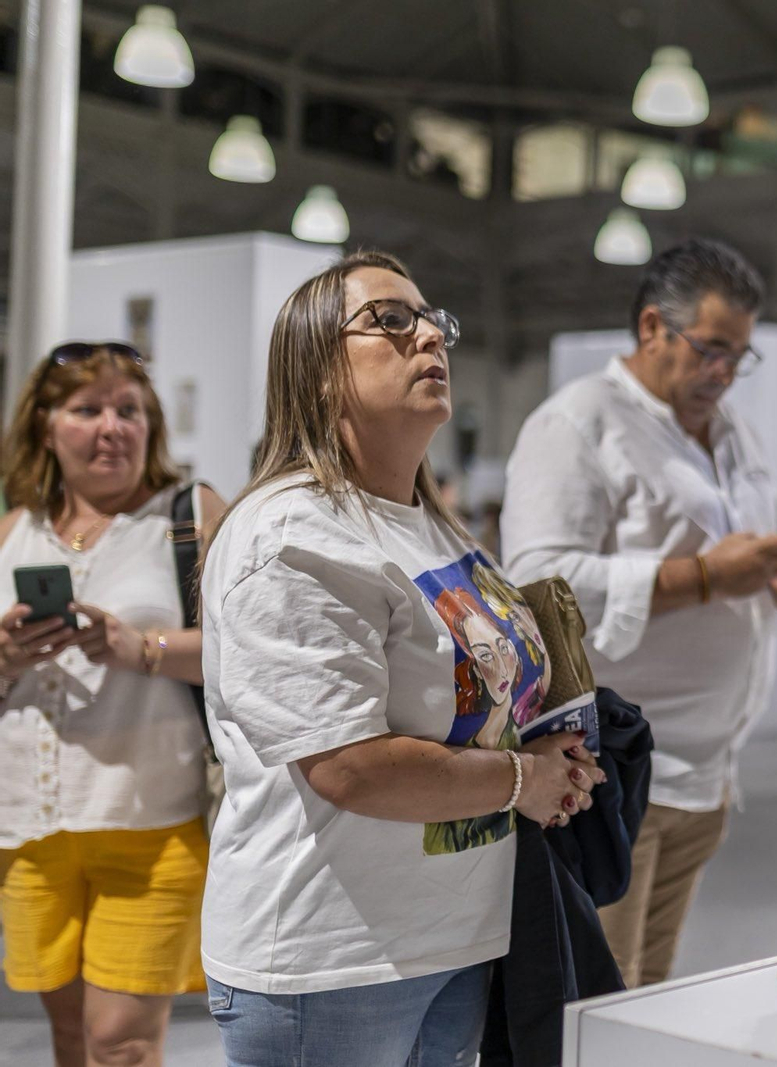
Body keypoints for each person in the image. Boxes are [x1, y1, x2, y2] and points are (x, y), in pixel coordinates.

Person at [199, 250, 601, 1066]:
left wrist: (550, 747)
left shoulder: (428, 520)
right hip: (332, 959)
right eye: (389, 320)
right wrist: (524, 780)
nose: (429, 337)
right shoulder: (292, 537)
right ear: (314, 369)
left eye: (433, 320)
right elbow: (349, 767)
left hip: (454, 937)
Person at [501, 238, 777, 989]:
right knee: (600, 1001)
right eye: (712, 349)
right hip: (614, 770)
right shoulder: (577, 424)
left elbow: (746, 549)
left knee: (653, 990)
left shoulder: (734, 429)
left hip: (709, 769)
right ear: (652, 327)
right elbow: (539, 586)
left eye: (740, 356)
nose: (725, 373)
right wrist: (709, 576)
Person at [0, 342, 225, 1067]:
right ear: (44, 426)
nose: (112, 427)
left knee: (120, 1043)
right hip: (29, 831)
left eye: (129, 410)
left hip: (151, 823)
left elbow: (254, 651)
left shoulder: (187, 517)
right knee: (69, 1039)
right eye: (87, 409)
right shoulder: (12, 529)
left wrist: (143, 647)